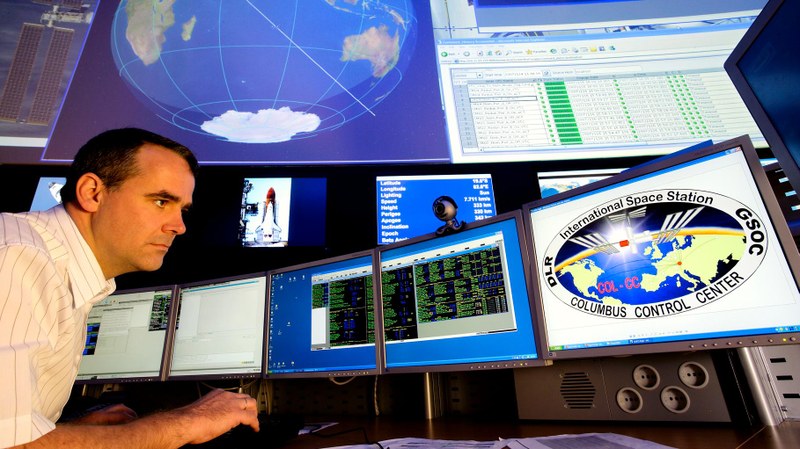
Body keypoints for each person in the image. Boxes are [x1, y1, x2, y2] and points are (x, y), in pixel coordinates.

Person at [0, 128, 259, 449]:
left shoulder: (60, 268)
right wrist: (186, 423)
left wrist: (77, 433)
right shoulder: (19, 257)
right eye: (161, 201)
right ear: (92, 193)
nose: (179, 226)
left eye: (183, 210)